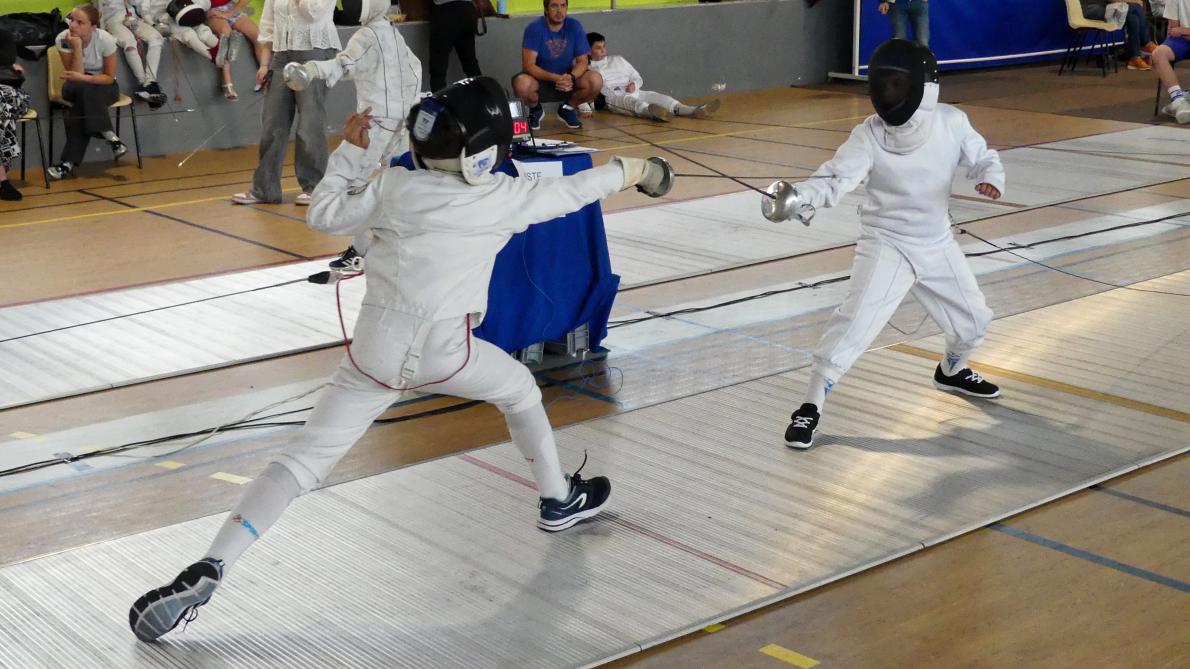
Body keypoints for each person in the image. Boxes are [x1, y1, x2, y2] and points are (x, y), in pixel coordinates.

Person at [128, 76, 673, 642]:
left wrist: (352, 150)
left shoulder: (395, 186)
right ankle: (557, 499)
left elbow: (324, 215)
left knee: (299, 463)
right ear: (481, 153)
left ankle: (213, 563)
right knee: (520, 391)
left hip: (373, 356)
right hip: (447, 354)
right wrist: (637, 170)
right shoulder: (503, 198)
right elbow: (577, 190)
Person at [773, 40, 1005, 449]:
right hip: (887, 243)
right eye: (883, 84)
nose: (887, 93)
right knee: (853, 326)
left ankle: (952, 371)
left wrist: (990, 177)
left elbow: (983, 156)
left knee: (974, 321)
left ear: (923, 88)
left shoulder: (951, 122)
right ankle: (810, 407)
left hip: (937, 242)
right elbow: (835, 178)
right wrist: (799, 197)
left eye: (897, 84)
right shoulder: (868, 136)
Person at [282, 0, 423, 271]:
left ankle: (360, 251)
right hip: (403, 123)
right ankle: (396, 245)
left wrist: (310, 70)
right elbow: (414, 70)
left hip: (375, 124)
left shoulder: (367, 35)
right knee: (401, 183)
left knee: (353, 186)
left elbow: (344, 64)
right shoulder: (393, 34)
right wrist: (410, 107)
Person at [231, 0, 340, 206]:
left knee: (309, 124)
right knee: (272, 122)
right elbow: (268, 24)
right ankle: (265, 189)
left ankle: (314, 187)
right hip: (281, 55)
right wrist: (265, 63)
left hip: (315, 51)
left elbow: (313, 12)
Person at [47, 5, 128, 180]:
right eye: (72, 20)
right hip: (73, 86)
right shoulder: (63, 38)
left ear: (93, 27)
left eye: (80, 22)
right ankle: (109, 135)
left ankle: (67, 164)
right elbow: (75, 76)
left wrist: (85, 78)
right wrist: (76, 47)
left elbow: (108, 77)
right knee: (85, 90)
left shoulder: (105, 39)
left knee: (82, 105)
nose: (73, 25)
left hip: (104, 86)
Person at [586, 32, 719, 122]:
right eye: (598, 48)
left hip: (636, 92)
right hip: (614, 98)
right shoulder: (588, 70)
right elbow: (584, 95)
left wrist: (634, 84)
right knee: (635, 103)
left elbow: (637, 77)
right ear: (588, 51)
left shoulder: (618, 59)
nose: (603, 50)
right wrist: (585, 109)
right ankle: (654, 113)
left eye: (604, 46)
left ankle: (692, 110)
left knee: (660, 97)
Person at [511, 0, 601, 130]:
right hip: (540, 81)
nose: (559, 10)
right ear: (546, 9)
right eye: (554, 6)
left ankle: (567, 108)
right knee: (522, 84)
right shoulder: (534, 28)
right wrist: (556, 78)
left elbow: (583, 61)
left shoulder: (574, 26)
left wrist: (571, 77)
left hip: (567, 81)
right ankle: (535, 110)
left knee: (595, 80)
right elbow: (528, 66)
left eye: (563, 5)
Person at [97, 0, 167, 107]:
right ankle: (143, 83)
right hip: (112, 20)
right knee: (129, 42)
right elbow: (98, 9)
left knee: (156, 38)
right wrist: (102, 32)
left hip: (133, 18)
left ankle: (150, 82)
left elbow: (138, 3)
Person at [207, 0, 268, 100]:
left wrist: (229, 13)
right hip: (209, 10)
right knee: (226, 33)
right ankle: (227, 82)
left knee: (258, 36)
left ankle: (265, 78)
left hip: (229, 7)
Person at [1080, 0, 1158, 70]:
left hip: (1102, 7)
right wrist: (1134, 1)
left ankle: (1135, 58)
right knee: (1136, 7)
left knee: (1133, 18)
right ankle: (1146, 43)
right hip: (1092, 9)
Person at [0, 27, 31, 200]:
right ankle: (2, 179)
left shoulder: (3, 35)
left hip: (12, 95)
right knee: (2, 115)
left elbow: (7, 59)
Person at [428, 0, 482, 92]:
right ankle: (483, 96)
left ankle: (440, 99)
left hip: (444, 9)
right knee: (470, 63)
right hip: (467, 9)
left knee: (438, 67)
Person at [1153, 0, 1190, 122]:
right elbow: (1174, 29)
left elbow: (1179, 30)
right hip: (1182, 40)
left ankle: (1187, 96)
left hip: (1183, 35)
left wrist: (1183, 30)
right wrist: (1181, 31)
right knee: (1159, 53)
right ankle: (1178, 101)